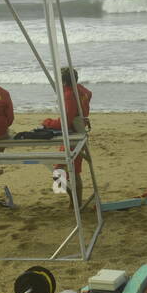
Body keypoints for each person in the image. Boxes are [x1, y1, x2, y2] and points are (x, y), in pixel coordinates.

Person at [55, 66, 92, 210]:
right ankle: (75, 202)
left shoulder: (70, 94)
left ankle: (75, 203)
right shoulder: (81, 90)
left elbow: (67, 120)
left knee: (61, 172)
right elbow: (89, 93)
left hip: (73, 135)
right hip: (79, 132)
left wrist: (49, 123)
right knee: (71, 170)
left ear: (64, 82)